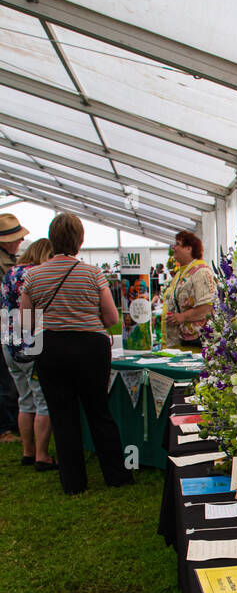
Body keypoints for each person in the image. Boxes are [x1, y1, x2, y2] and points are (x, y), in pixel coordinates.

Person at [20, 212, 131, 495]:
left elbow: (25, 323)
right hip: (90, 347)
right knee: (98, 412)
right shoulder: (93, 273)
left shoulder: (33, 276)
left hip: (52, 348)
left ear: (51, 239)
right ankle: (116, 475)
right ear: (80, 240)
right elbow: (110, 318)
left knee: (62, 415)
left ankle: (73, 482)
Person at [1, 234, 56, 468]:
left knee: (25, 399)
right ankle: (42, 456)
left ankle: (28, 451)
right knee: (43, 399)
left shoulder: (10, 273)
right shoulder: (35, 275)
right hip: (31, 342)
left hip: (8, 340)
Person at [0, 211, 28, 441]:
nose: (20, 241)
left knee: (12, 380)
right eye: (17, 238)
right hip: (8, 327)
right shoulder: (5, 264)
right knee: (6, 380)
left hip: (10, 327)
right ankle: (5, 427)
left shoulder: (10, 262)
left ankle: (15, 423)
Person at [162, 232, 214, 350]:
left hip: (196, 344)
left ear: (188, 249)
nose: (173, 247)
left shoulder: (201, 272)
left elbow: (207, 307)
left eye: (178, 244)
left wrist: (183, 317)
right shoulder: (182, 273)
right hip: (182, 342)